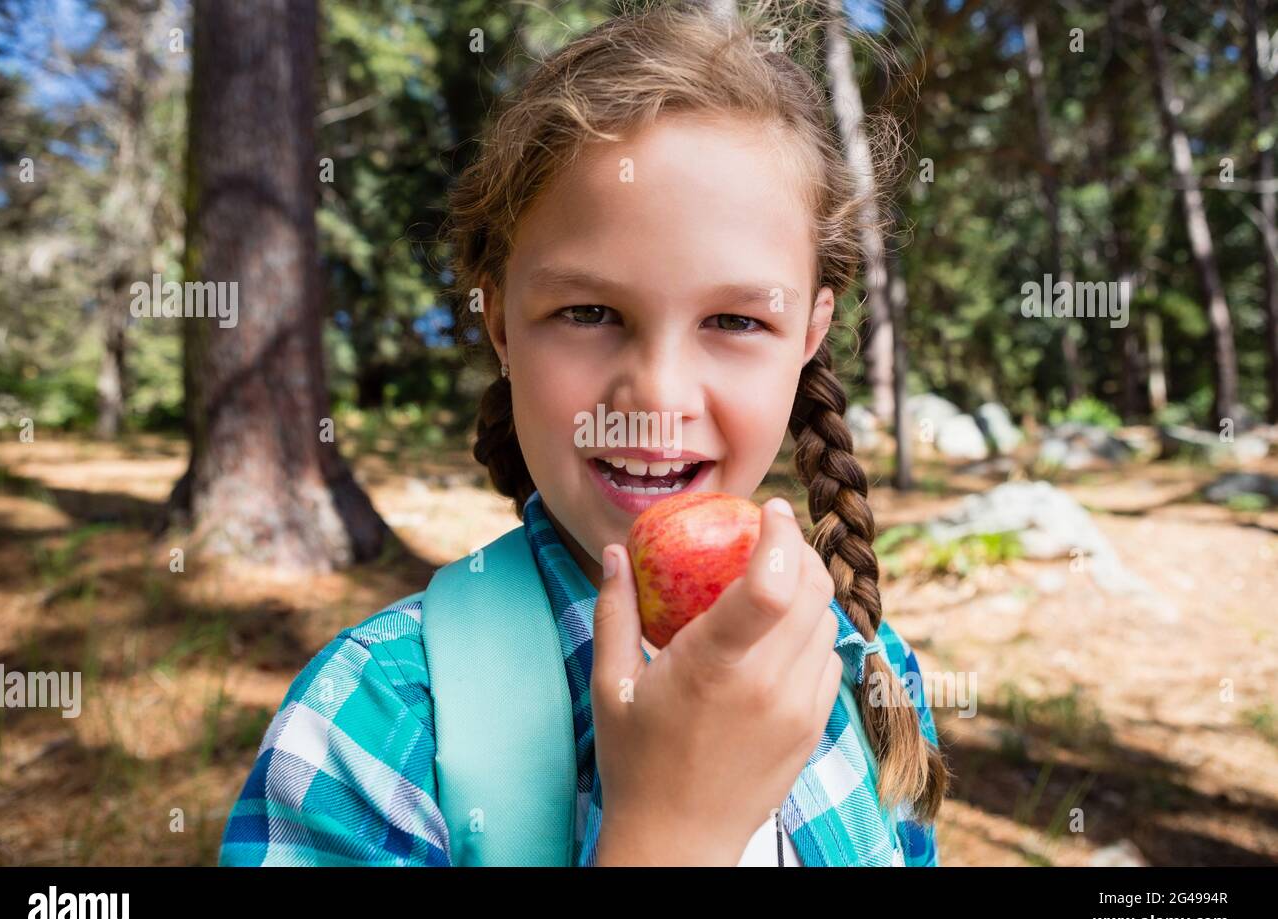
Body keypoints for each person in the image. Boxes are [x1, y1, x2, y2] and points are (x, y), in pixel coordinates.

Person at [220, 0, 948, 867]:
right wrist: (668, 837)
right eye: (589, 311)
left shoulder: (859, 669)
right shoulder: (374, 725)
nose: (658, 394)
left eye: (736, 321)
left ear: (810, 334)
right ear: (498, 325)